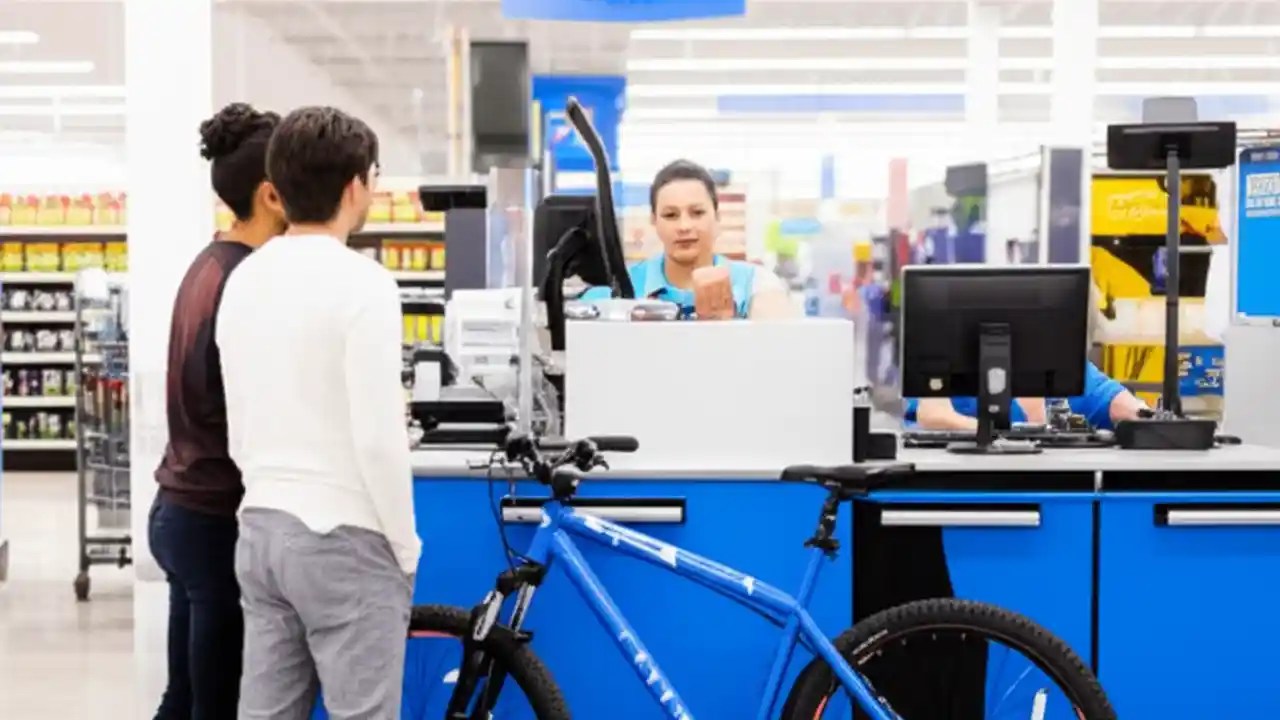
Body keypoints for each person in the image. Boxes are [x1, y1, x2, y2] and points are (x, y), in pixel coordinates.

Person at [216, 106, 420, 720]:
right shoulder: (365, 284)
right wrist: (404, 547)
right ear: (357, 184)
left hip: (261, 528)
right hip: (344, 534)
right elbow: (379, 437)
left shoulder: (244, 278)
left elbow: (239, 414)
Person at [149, 102, 284, 720]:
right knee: (215, 708)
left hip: (179, 509)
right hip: (211, 518)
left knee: (184, 701)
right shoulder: (247, 278)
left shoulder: (210, 261)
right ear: (273, 195)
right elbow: (238, 398)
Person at [586, 159, 793, 319]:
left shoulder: (755, 285)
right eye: (671, 215)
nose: (684, 226)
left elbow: (782, 351)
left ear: (717, 217)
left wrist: (733, 328)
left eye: (697, 212)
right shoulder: (622, 289)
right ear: (654, 221)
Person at [904, 359, 1148, 431]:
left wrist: (1151, 419)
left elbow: (1116, 403)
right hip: (961, 488)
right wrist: (1009, 434)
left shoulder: (1070, 368)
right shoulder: (951, 361)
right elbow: (932, 416)